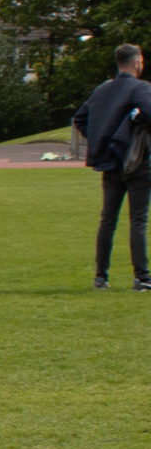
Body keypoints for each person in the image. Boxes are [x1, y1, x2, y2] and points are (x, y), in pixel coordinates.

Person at [71, 43, 151, 291]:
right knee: (137, 219)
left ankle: (100, 276)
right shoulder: (140, 88)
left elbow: (80, 118)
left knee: (108, 219)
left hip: (109, 163)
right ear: (137, 62)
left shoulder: (102, 90)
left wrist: (99, 139)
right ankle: (142, 277)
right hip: (137, 163)